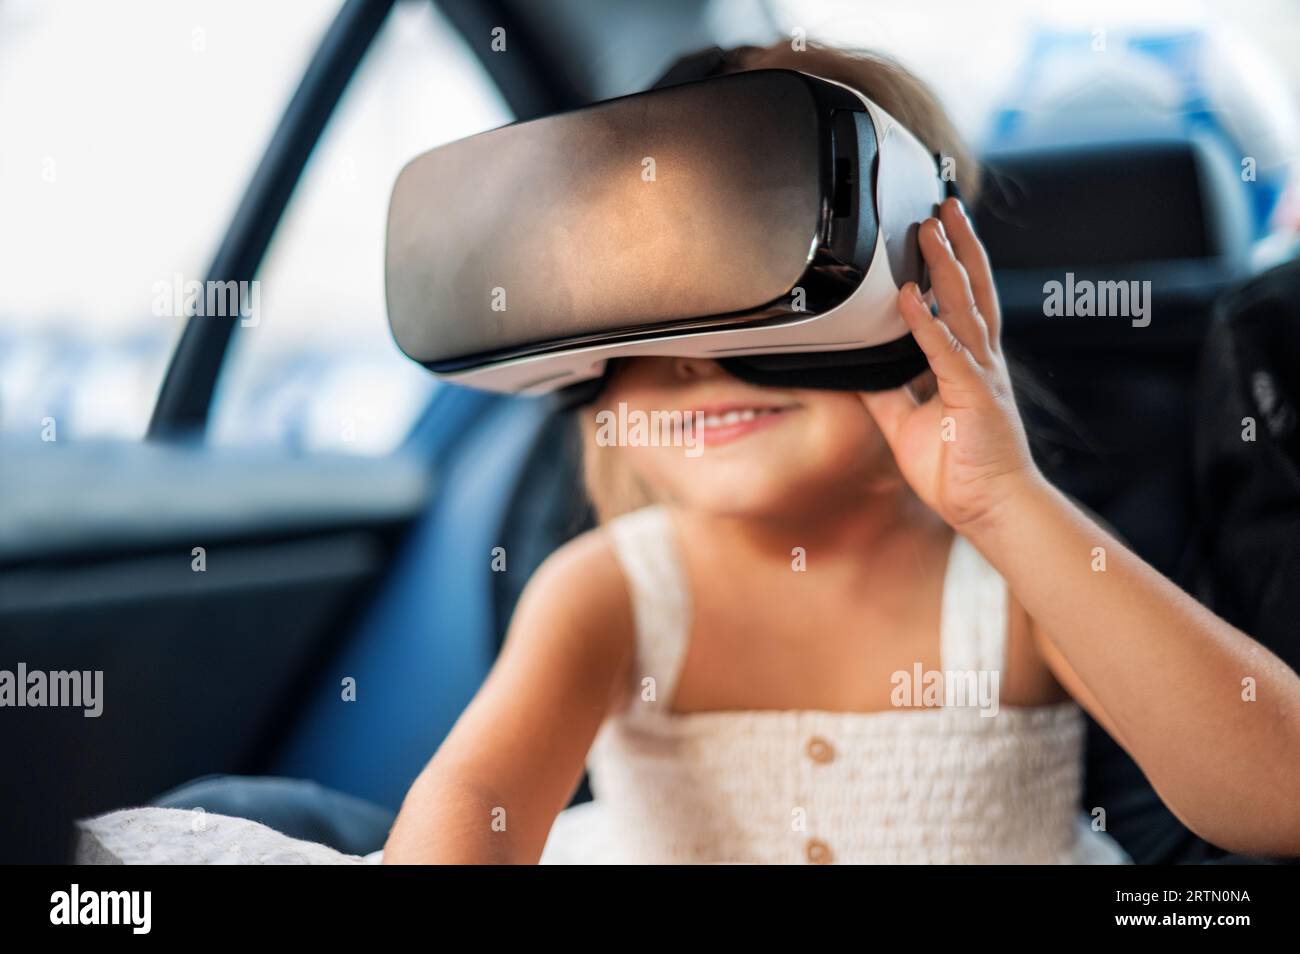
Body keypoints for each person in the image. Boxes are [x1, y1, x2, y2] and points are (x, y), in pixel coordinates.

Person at [381, 42, 1300, 864]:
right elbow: (476, 802)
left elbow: (1279, 799)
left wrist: (1005, 500)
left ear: (921, 293)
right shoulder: (604, 592)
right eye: (642, 316)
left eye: (760, 301)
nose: (693, 362)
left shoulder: (1013, 580)